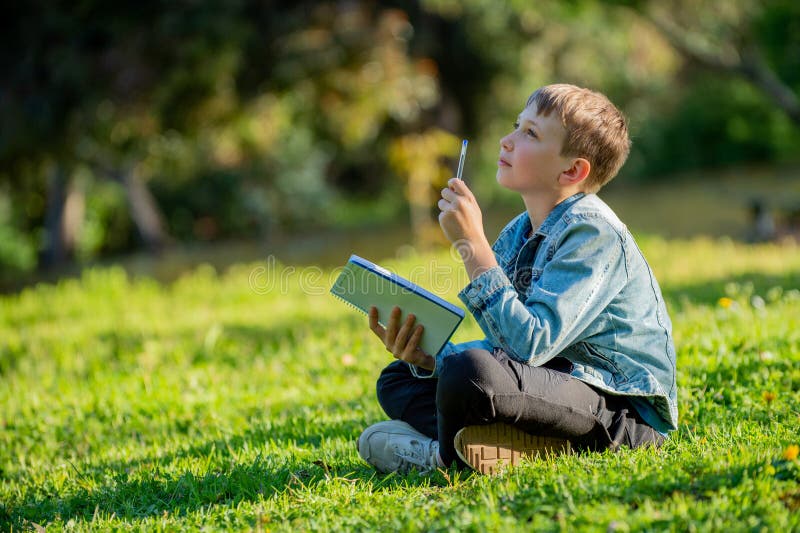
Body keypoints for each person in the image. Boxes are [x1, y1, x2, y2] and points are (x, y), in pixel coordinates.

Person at [357, 83, 678, 475]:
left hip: (620, 413)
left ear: (572, 170)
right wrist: (429, 359)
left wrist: (472, 244)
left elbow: (528, 347)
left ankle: (440, 458)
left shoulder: (593, 233)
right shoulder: (518, 231)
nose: (507, 141)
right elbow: (504, 346)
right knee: (400, 379)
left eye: (530, 133)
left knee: (470, 373)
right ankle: (508, 445)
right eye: (516, 125)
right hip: (553, 388)